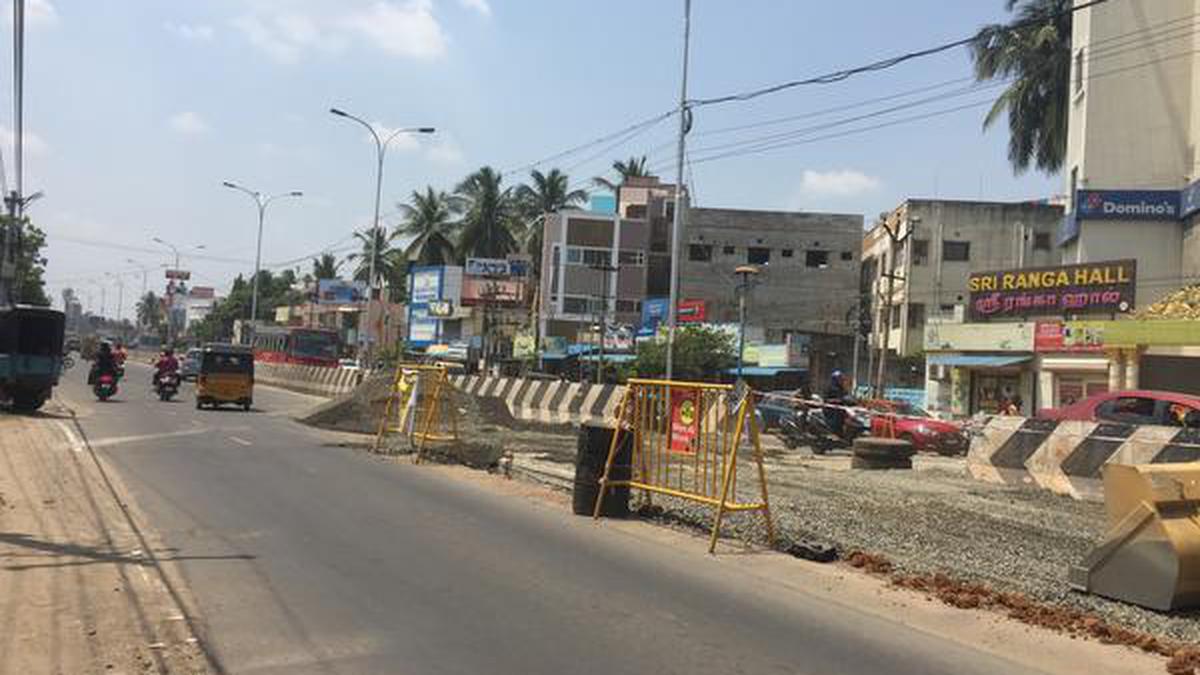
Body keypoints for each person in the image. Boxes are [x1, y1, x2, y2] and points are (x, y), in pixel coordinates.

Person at [822, 370, 855, 438]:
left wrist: (851, 401)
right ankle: (835, 432)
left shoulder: (842, 388)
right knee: (837, 418)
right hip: (831, 410)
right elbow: (826, 400)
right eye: (839, 379)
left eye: (841, 379)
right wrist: (836, 401)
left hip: (842, 408)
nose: (841, 381)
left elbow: (846, 397)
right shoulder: (829, 388)